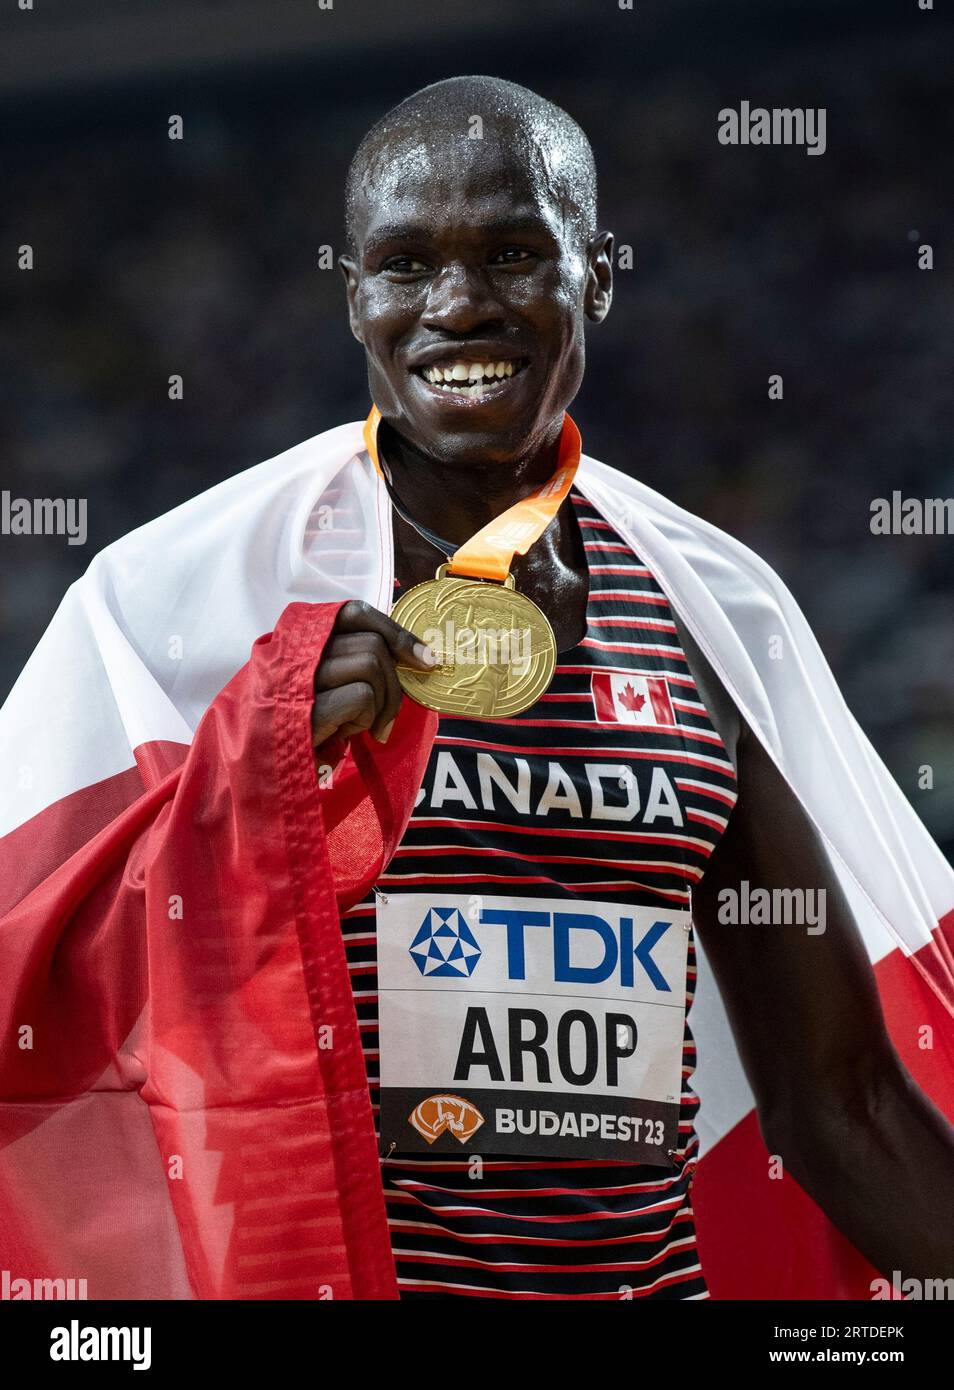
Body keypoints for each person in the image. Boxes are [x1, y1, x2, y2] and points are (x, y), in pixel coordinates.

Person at [0, 75, 952, 1302]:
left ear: (596, 273)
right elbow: (41, 991)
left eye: (512, 251)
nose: (458, 305)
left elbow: (843, 1103)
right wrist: (253, 765)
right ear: (354, 298)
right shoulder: (179, 602)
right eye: (405, 265)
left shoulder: (715, 612)